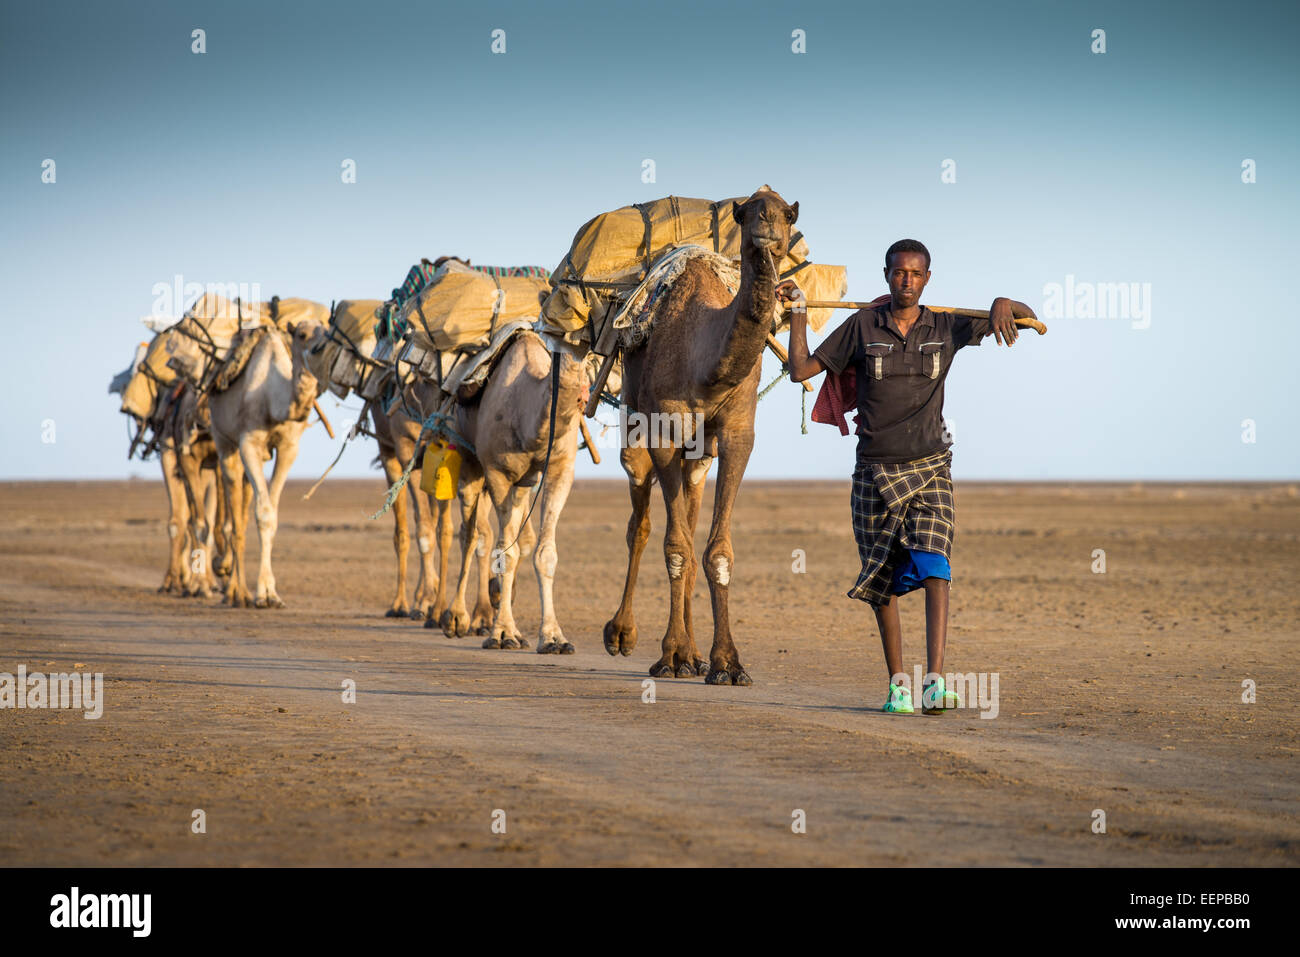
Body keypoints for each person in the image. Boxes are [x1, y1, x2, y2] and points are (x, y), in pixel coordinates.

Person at [780, 239, 1037, 715]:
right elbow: (800, 370)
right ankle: (898, 685)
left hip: (931, 464)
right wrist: (797, 311)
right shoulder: (861, 326)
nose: (907, 281)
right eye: (899, 273)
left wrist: (1004, 303)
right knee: (881, 581)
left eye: (916, 274)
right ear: (886, 275)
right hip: (874, 471)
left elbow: (1025, 316)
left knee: (937, 567)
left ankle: (935, 682)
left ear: (927, 278)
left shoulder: (947, 325)